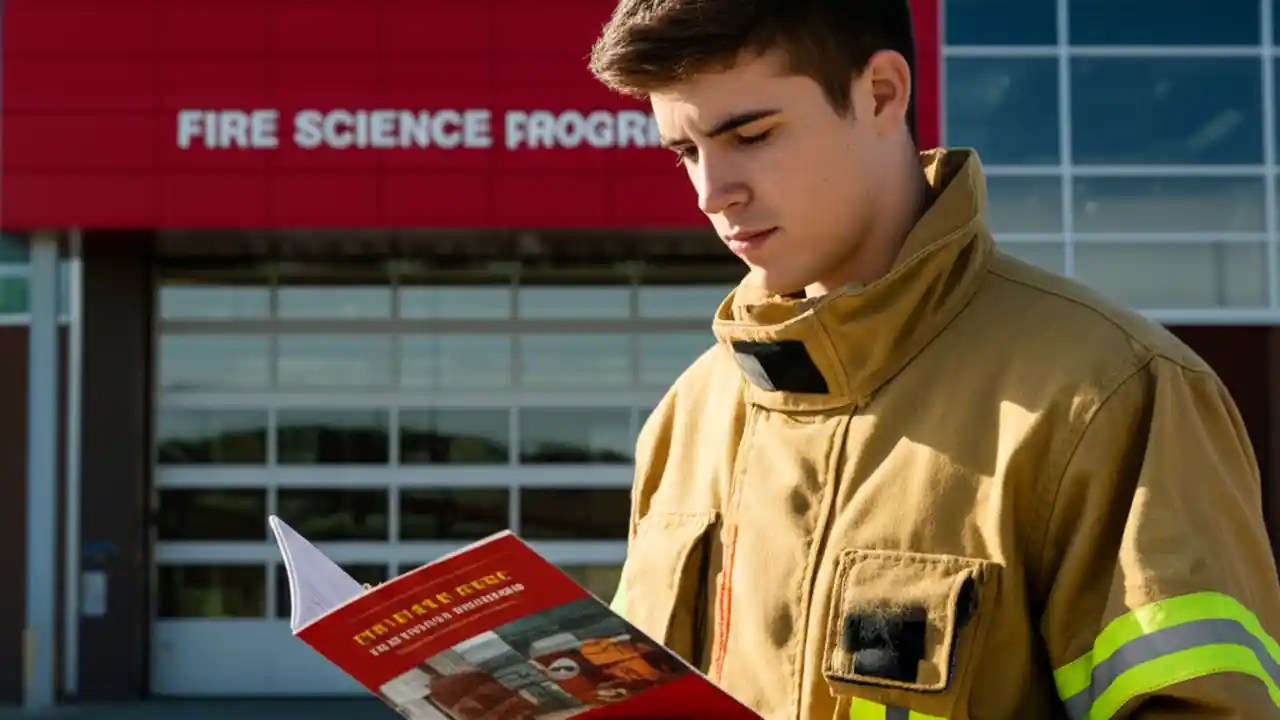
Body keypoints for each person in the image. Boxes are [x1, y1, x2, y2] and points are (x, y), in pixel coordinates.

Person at [585, 1, 1280, 718]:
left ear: (881, 93)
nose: (711, 192)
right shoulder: (691, 414)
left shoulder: (1111, 390)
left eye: (752, 134)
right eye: (686, 152)